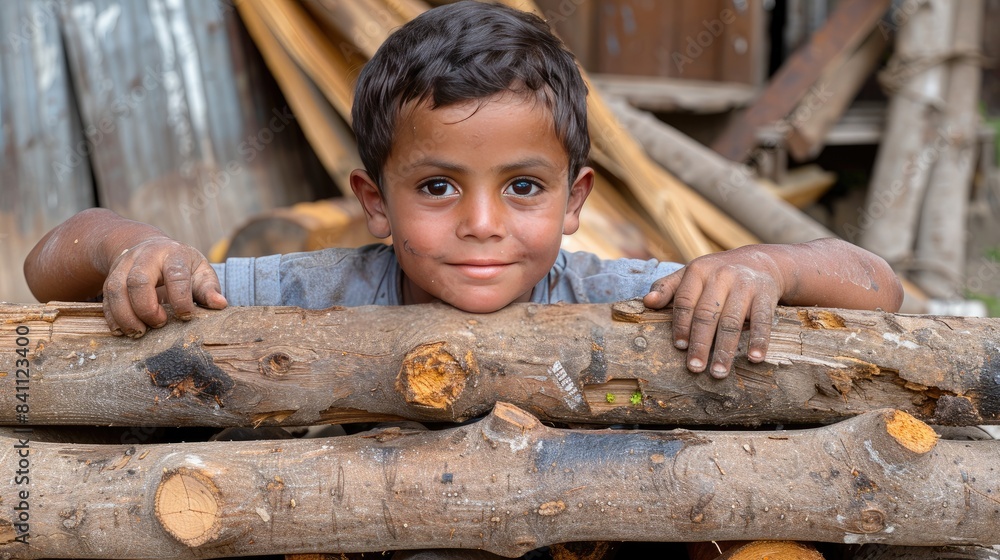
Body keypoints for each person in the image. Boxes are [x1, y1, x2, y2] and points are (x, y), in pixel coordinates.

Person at [24, 1, 902, 383]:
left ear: (575, 200)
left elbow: (881, 289)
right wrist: (128, 247)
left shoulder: (628, 302)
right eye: (438, 186)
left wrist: (769, 264)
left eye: (523, 187)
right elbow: (44, 265)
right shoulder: (306, 296)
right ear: (374, 202)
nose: (482, 226)